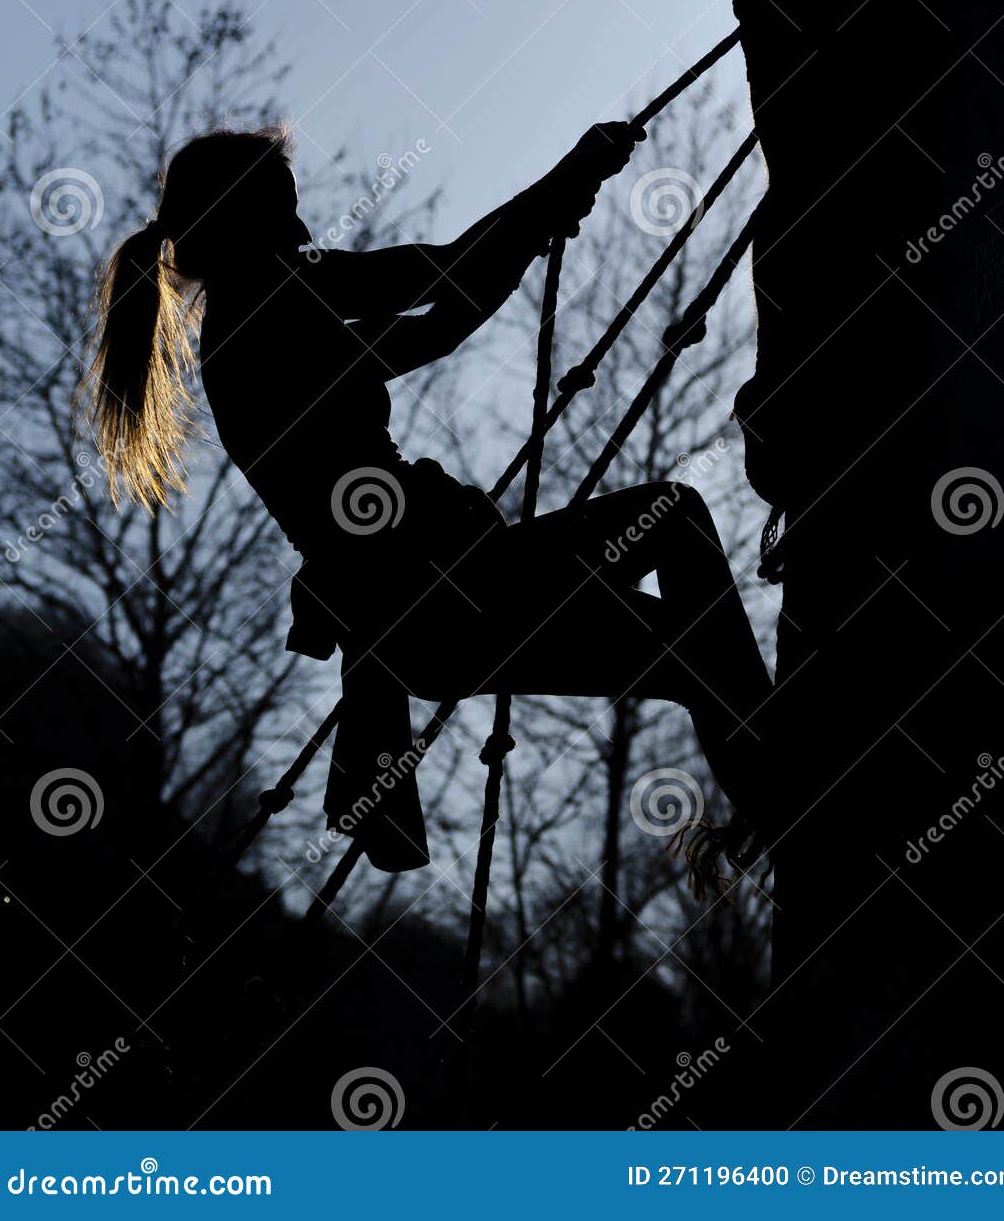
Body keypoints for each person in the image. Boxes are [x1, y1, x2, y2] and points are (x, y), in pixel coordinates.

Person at [84, 124, 771, 882]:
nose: (303, 226)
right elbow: (450, 286)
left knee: (683, 579)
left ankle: (780, 795)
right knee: (686, 592)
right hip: (445, 598)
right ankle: (788, 797)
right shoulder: (271, 299)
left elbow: (447, 302)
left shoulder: (258, 313)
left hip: (437, 603)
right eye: (286, 207)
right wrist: (564, 183)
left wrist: (549, 207)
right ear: (246, 217)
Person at [733, 0, 1004, 1124]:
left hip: (866, 496)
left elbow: (804, 194)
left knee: (865, 940)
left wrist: (796, 407)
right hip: (933, 485)